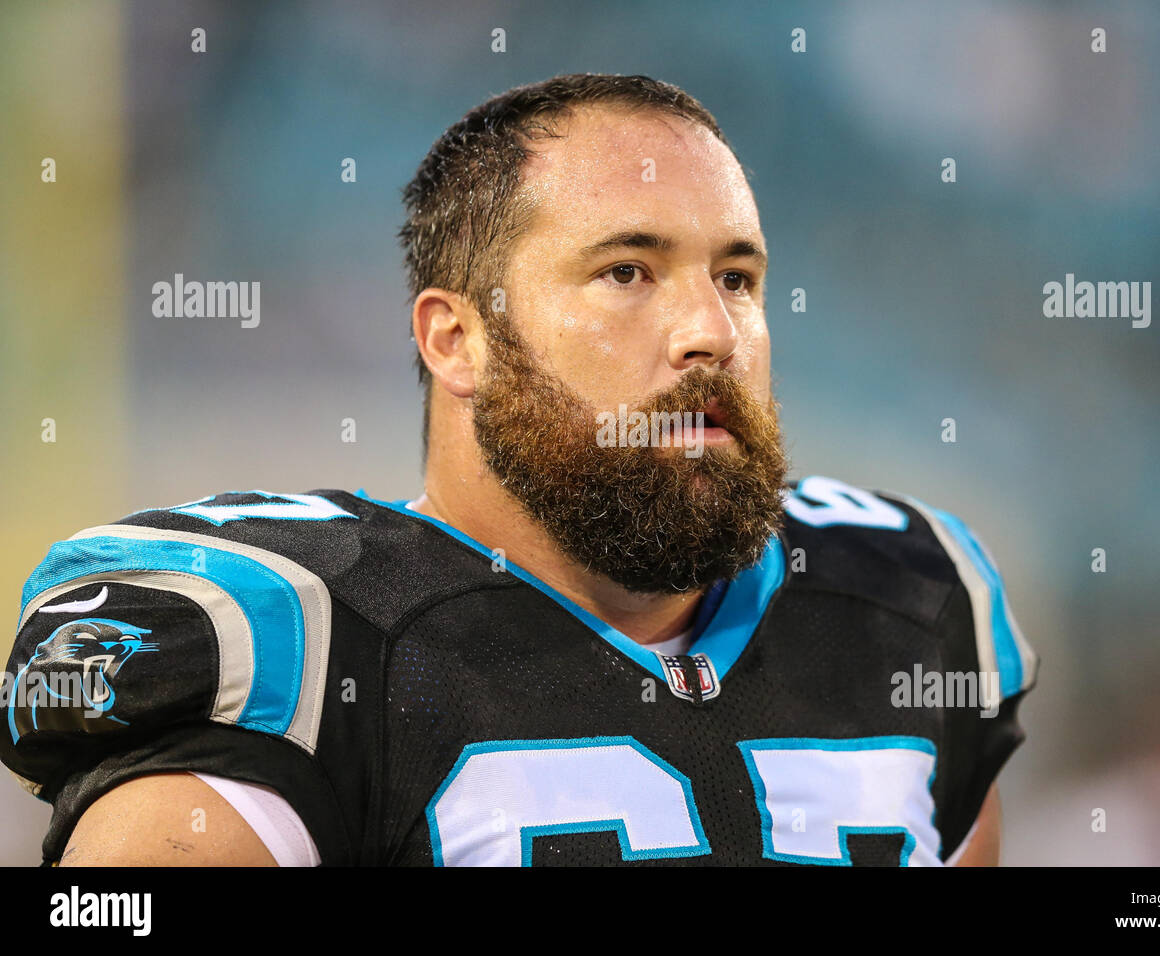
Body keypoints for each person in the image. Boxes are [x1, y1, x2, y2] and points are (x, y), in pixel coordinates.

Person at [1, 73, 1036, 866]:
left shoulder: (906, 597)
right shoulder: (304, 651)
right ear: (457, 339)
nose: (709, 332)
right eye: (626, 271)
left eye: (737, 276)